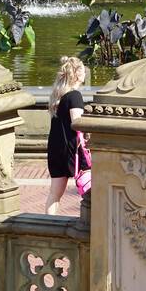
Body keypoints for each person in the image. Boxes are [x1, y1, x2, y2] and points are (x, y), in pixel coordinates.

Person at [46, 55, 87, 215]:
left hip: (56, 147)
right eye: (83, 70)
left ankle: (49, 226)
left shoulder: (58, 96)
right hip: (72, 151)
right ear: (77, 74)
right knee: (89, 188)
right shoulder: (75, 96)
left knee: (54, 194)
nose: (85, 73)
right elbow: (77, 123)